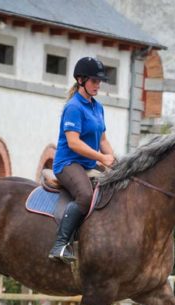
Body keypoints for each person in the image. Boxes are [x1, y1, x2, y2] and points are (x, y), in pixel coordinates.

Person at [48, 56, 116, 263]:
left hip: (88, 164)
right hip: (68, 164)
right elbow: (74, 143)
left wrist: (113, 159)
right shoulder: (74, 107)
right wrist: (101, 157)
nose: (98, 85)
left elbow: (102, 139)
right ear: (81, 80)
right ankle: (60, 245)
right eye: (94, 81)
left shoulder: (97, 107)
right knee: (86, 196)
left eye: (99, 81)